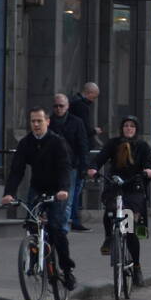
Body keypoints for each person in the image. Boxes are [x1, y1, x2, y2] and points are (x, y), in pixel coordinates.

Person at [1, 107, 76, 291]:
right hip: (38, 187)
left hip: (58, 189)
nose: (35, 125)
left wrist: (64, 189)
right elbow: (17, 170)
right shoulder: (26, 143)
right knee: (31, 222)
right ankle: (35, 259)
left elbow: (65, 167)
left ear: (47, 122)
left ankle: (67, 270)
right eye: (33, 121)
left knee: (57, 228)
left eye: (39, 121)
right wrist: (9, 192)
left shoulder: (57, 142)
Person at [89, 116, 151, 287]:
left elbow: (149, 164)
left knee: (130, 227)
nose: (128, 129)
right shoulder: (113, 143)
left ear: (136, 129)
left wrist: (148, 171)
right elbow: (100, 158)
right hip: (116, 185)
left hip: (134, 188)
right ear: (121, 128)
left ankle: (137, 267)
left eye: (132, 126)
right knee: (110, 212)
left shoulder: (142, 146)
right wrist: (93, 168)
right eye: (126, 126)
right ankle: (109, 237)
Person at [49, 93, 91, 232]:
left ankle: (63, 229)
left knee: (67, 200)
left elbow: (83, 145)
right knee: (50, 198)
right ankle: (52, 226)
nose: (58, 109)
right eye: (56, 106)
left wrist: (84, 167)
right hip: (51, 166)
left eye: (61, 106)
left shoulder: (76, 122)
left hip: (70, 167)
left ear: (67, 107)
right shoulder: (47, 121)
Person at [69, 82, 104, 148]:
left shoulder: (74, 100)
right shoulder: (81, 106)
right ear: (89, 93)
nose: (93, 101)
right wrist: (94, 131)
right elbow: (84, 129)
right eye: (94, 97)